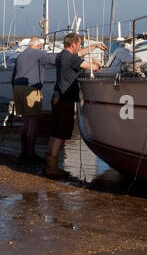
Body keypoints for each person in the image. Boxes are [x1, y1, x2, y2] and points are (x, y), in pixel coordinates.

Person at [44, 33, 103, 178]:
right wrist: (97, 64)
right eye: (80, 43)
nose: (81, 46)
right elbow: (91, 67)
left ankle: (49, 164)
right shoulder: (70, 58)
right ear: (73, 44)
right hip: (64, 99)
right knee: (61, 132)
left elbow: (80, 54)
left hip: (57, 96)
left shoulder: (62, 55)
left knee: (56, 131)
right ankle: (52, 168)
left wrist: (94, 46)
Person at [11, 37, 55, 160]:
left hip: (17, 89)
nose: (41, 48)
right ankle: (30, 153)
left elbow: (13, 75)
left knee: (25, 122)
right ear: (37, 46)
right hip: (30, 90)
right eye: (40, 47)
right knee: (33, 121)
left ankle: (23, 151)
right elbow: (53, 59)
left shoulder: (21, 55)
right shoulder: (37, 53)